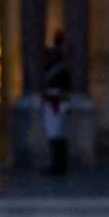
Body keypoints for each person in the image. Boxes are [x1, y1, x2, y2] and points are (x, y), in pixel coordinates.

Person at [42, 29, 71, 177]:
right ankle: (57, 164)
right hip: (52, 101)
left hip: (59, 102)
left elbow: (65, 84)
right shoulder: (55, 64)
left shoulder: (63, 66)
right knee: (54, 134)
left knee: (58, 134)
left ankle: (60, 165)